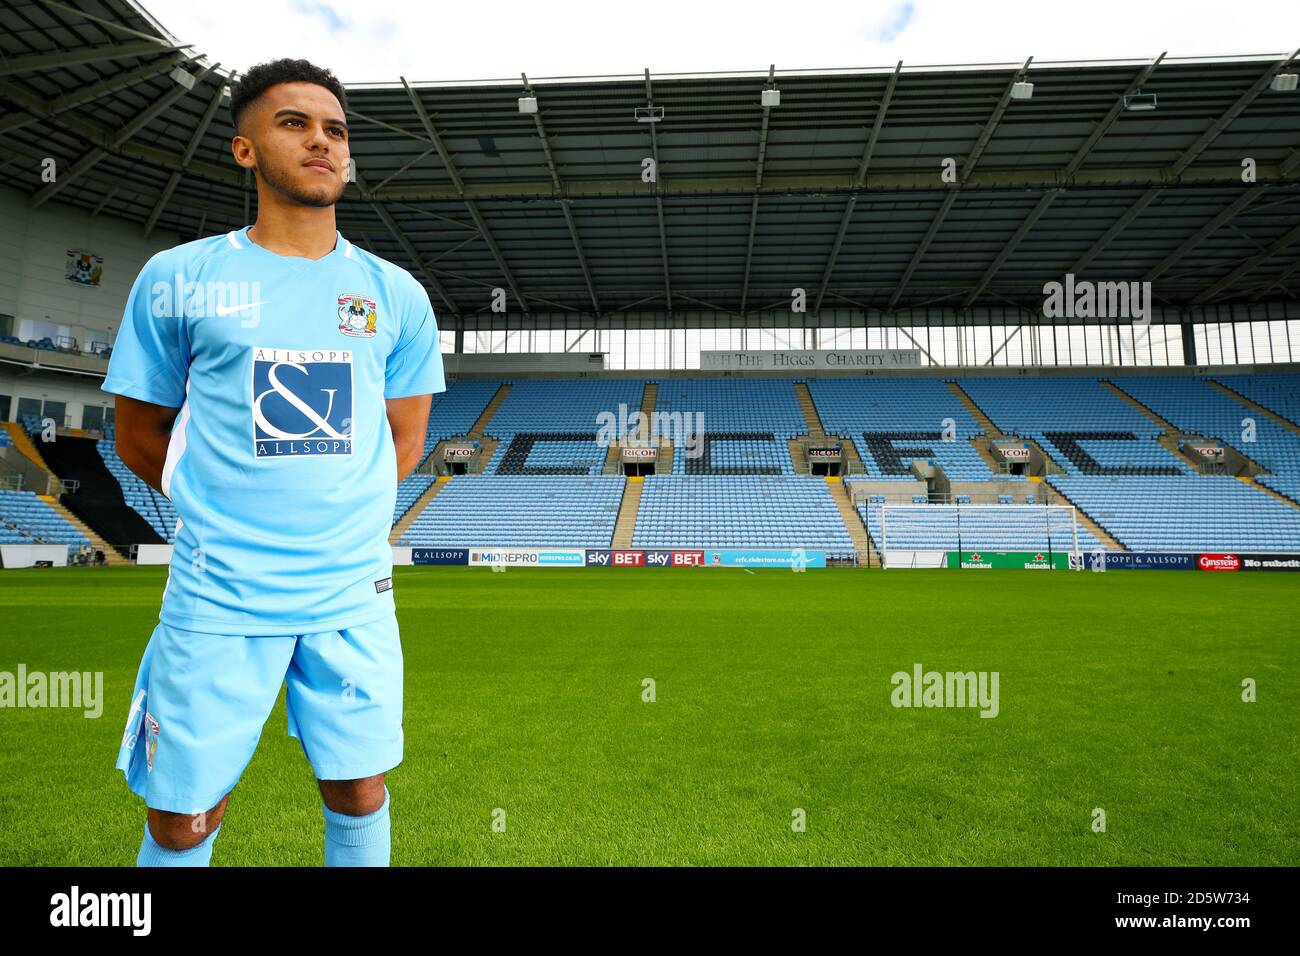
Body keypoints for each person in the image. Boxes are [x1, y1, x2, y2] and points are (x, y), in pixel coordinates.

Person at [104, 58, 444, 866]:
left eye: (335, 129)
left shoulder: (396, 294)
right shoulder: (178, 279)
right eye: (294, 123)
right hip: (219, 587)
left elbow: (404, 439)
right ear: (244, 149)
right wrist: (229, 510)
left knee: (359, 788)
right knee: (182, 814)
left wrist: (337, 517)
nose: (322, 141)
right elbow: (138, 435)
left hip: (350, 589)